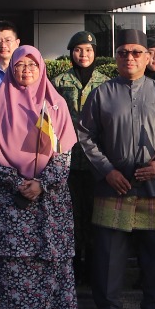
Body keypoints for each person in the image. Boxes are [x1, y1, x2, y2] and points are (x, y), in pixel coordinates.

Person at [76, 28, 155, 309]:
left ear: (148, 57)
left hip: (154, 184)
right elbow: (85, 136)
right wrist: (106, 170)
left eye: (137, 52)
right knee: (109, 253)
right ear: (116, 57)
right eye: (123, 52)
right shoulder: (101, 94)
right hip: (114, 183)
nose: (130, 58)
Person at [0, 45, 80, 309]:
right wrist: (18, 182)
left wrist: (42, 183)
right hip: (7, 197)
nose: (26, 71)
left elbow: (64, 152)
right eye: (20, 65)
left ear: (41, 69)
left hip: (49, 199)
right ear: (11, 69)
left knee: (50, 259)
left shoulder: (55, 105)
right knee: (9, 259)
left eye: (32, 66)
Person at [51, 31, 107, 278]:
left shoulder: (106, 83)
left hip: (97, 160)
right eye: (78, 50)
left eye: (89, 50)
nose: (84, 55)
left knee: (95, 213)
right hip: (68, 161)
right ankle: (74, 264)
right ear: (71, 53)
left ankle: (94, 263)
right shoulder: (58, 82)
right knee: (70, 214)